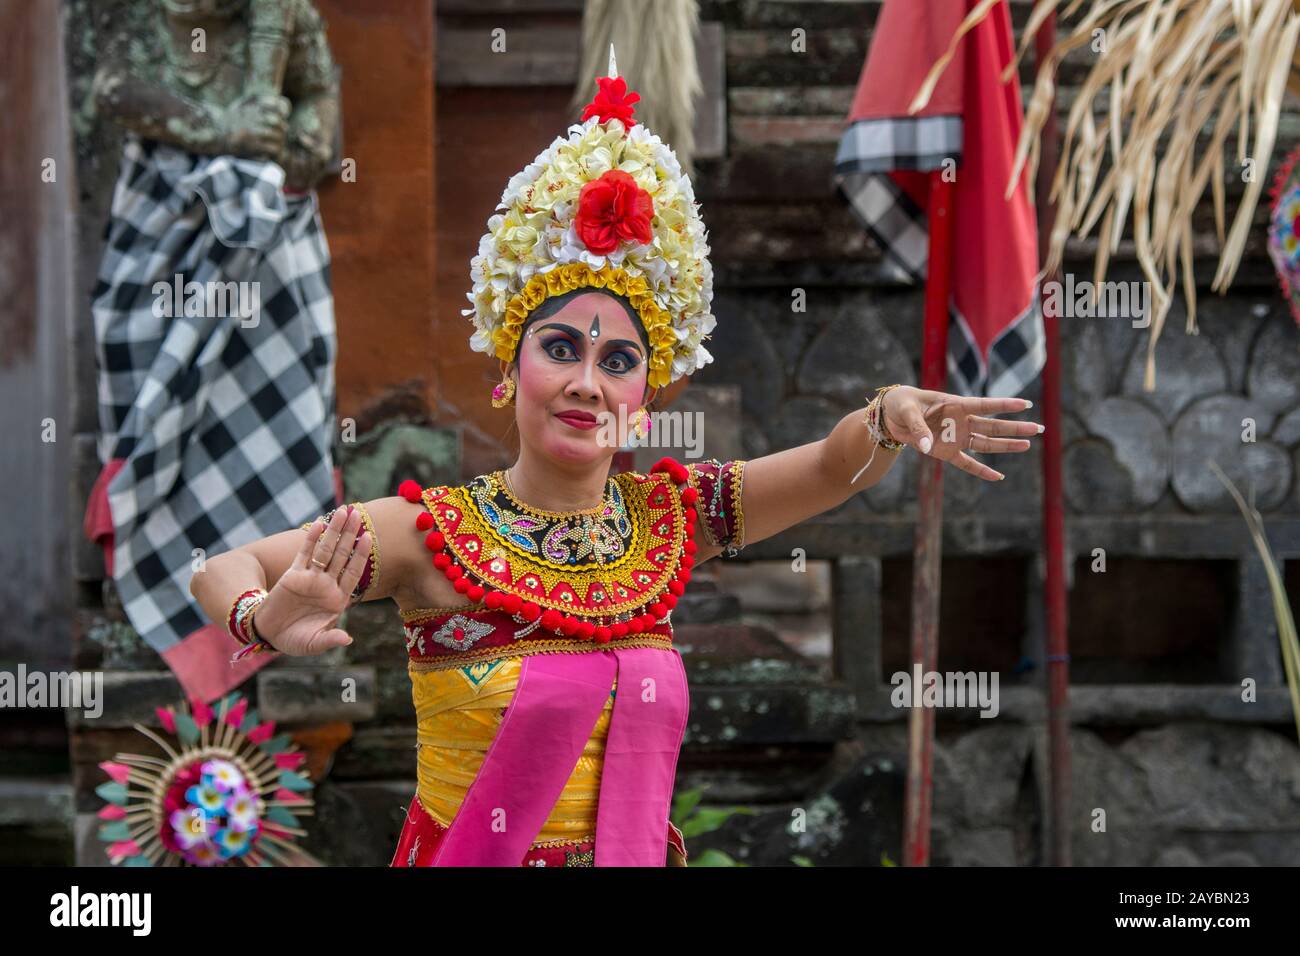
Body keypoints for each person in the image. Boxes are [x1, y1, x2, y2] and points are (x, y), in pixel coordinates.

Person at [188, 50, 1042, 867]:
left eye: (618, 362)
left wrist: (887, 418)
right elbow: (220, 566)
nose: (587, 383)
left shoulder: (671, 523)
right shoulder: (432, 534)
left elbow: (827, 468)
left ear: (645, 400)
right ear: (508, 370)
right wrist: (260, 621)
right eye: (560, 349)